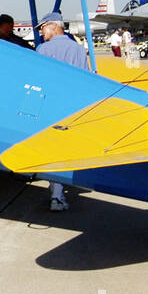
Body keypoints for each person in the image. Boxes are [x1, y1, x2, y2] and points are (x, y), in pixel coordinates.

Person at [36, 13, 93, 211]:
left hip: (50, 108)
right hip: (72, 108)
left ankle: (56, 196)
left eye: (42, 28)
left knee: (51, 151)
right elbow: (87, 81)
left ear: (53, 26)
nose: (41, 32)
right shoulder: (78, 49)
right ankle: (58, 191)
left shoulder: (43, 50)